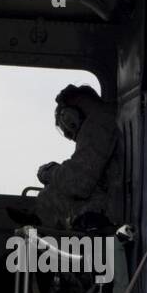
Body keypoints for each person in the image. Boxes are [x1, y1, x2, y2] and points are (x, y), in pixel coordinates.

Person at [34, 84, 123, 230]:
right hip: (113, 202)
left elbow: (78, 183)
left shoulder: (98, 123)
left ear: (69, 117)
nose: (71, 135)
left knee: (48, 197)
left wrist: (48, 172)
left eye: (68, 130)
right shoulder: (107, 117)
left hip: (108, 212)